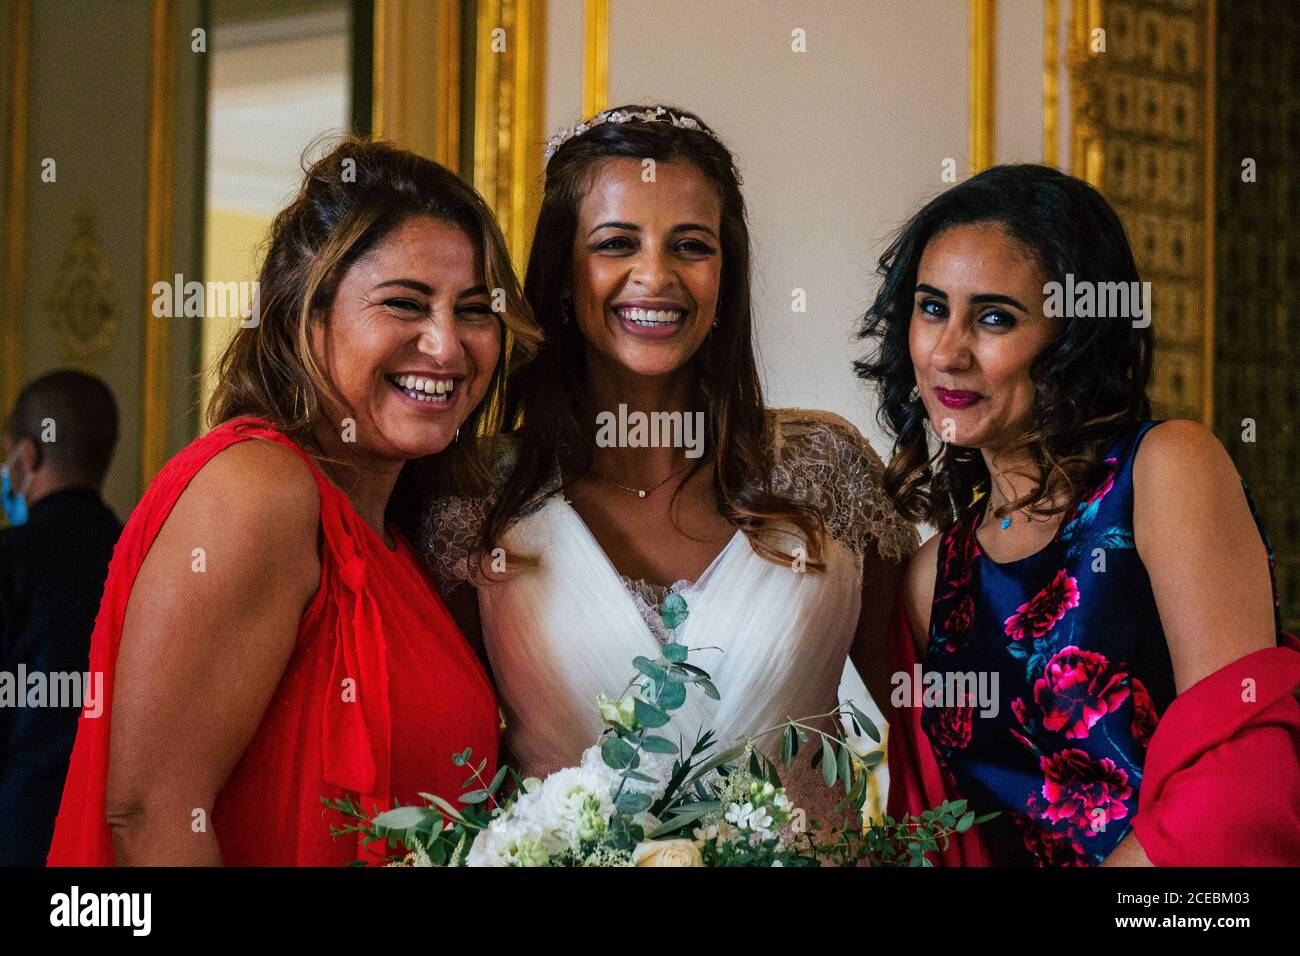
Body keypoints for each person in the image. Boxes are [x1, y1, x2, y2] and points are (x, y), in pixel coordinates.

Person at [46, 137, 541, 866]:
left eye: (473, 310)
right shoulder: (260, 489)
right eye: (405, 303)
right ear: (303, 320)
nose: (446, 345)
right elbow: (150, 816)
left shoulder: (408, 540)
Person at [419, 105, 917, 822]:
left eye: (691, 246)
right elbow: (438, 765)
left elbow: (938, 741)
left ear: (727, 275)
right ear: (562, 269)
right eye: (616, 243)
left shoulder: (828, 467)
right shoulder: (471, 497)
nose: (655, 275)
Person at [858, 163, 1300, 866]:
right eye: (932, 307)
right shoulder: (930, 578)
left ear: (1075, 334)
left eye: (995, 317)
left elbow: (1239, 775)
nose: (948, 351)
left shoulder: (1166, 470)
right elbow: (943, 832)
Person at [0, 370, 122, 866]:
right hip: (115, 847)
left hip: (18, 836)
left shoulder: (9, 561)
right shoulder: (144, 557)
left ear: (28, 455)